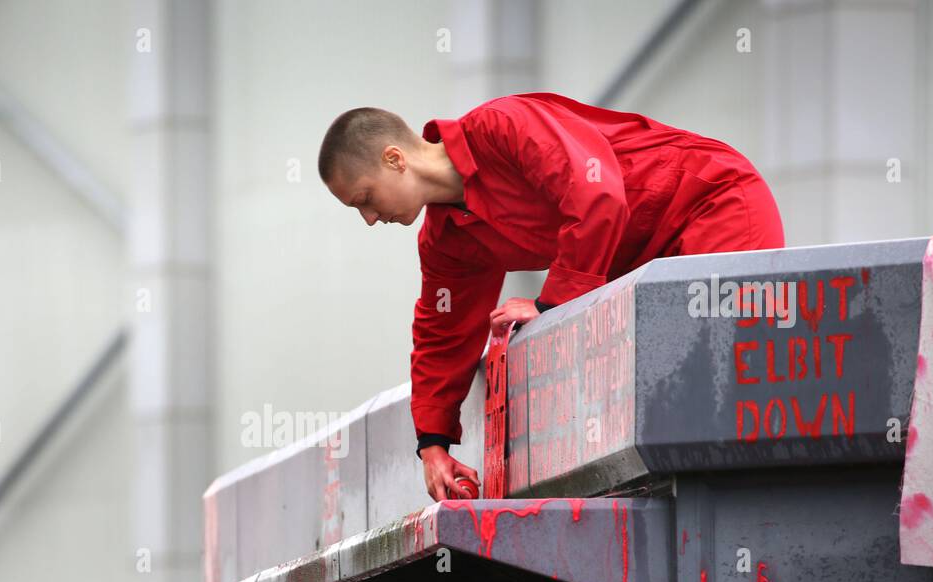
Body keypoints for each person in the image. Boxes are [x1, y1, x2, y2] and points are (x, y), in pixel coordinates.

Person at [318, 92, 785, 501]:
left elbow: (596, 191)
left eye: (364, 198)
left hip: (710, 200)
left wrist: (550, 307)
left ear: (395, 159)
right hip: (637, 265)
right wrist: (433, 444)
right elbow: (443, 333)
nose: (369, 219)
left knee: (721, 377)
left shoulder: (503, 126)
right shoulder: (447, 240)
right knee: (671, 400)